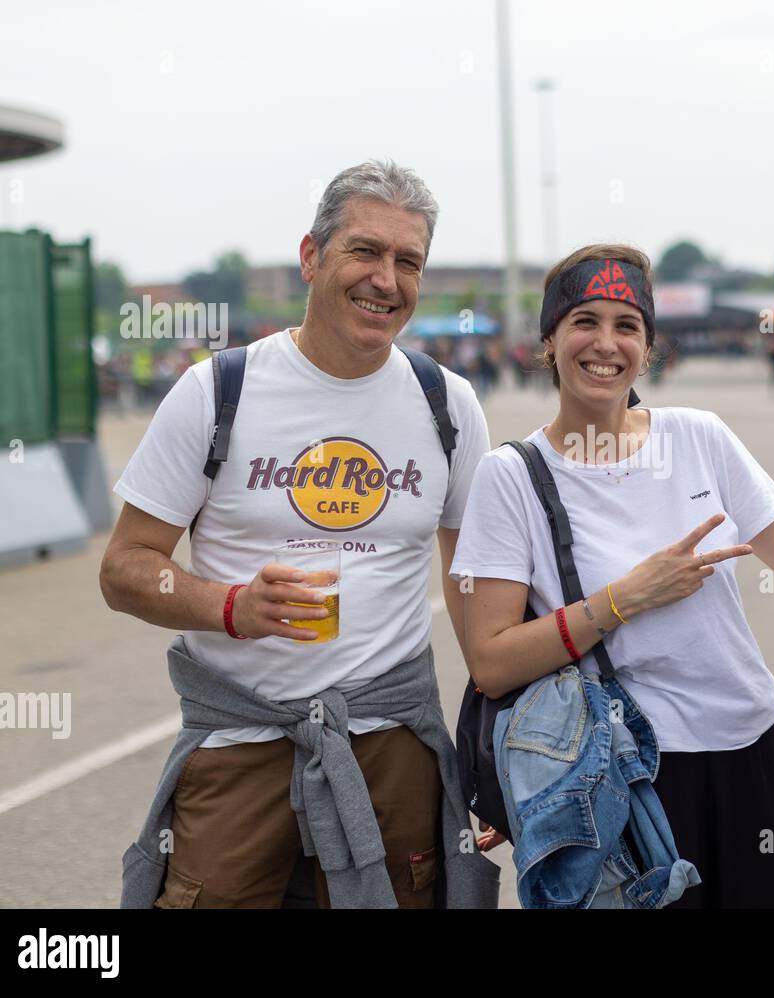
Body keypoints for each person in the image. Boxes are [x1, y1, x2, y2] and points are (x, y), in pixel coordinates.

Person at [101, 160, 498, 909]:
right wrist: (229, 607)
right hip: (239, 741)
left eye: (407, 261)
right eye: (365, 251)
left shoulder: (447, 404)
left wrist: (499, 753)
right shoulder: (219, 390)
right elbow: (125, 568)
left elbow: (481, 587)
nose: (386, 279)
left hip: (392, 748)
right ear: (312, 257)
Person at [452, 244, 774, 908]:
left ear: (649, 347)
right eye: (584, 321)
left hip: (754, 757)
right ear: (550, 339)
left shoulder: (698, 438)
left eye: (627, 325)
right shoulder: (511, 477)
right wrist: (623, 599)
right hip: (625, 776)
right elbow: (491, 661)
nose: (606, 343)